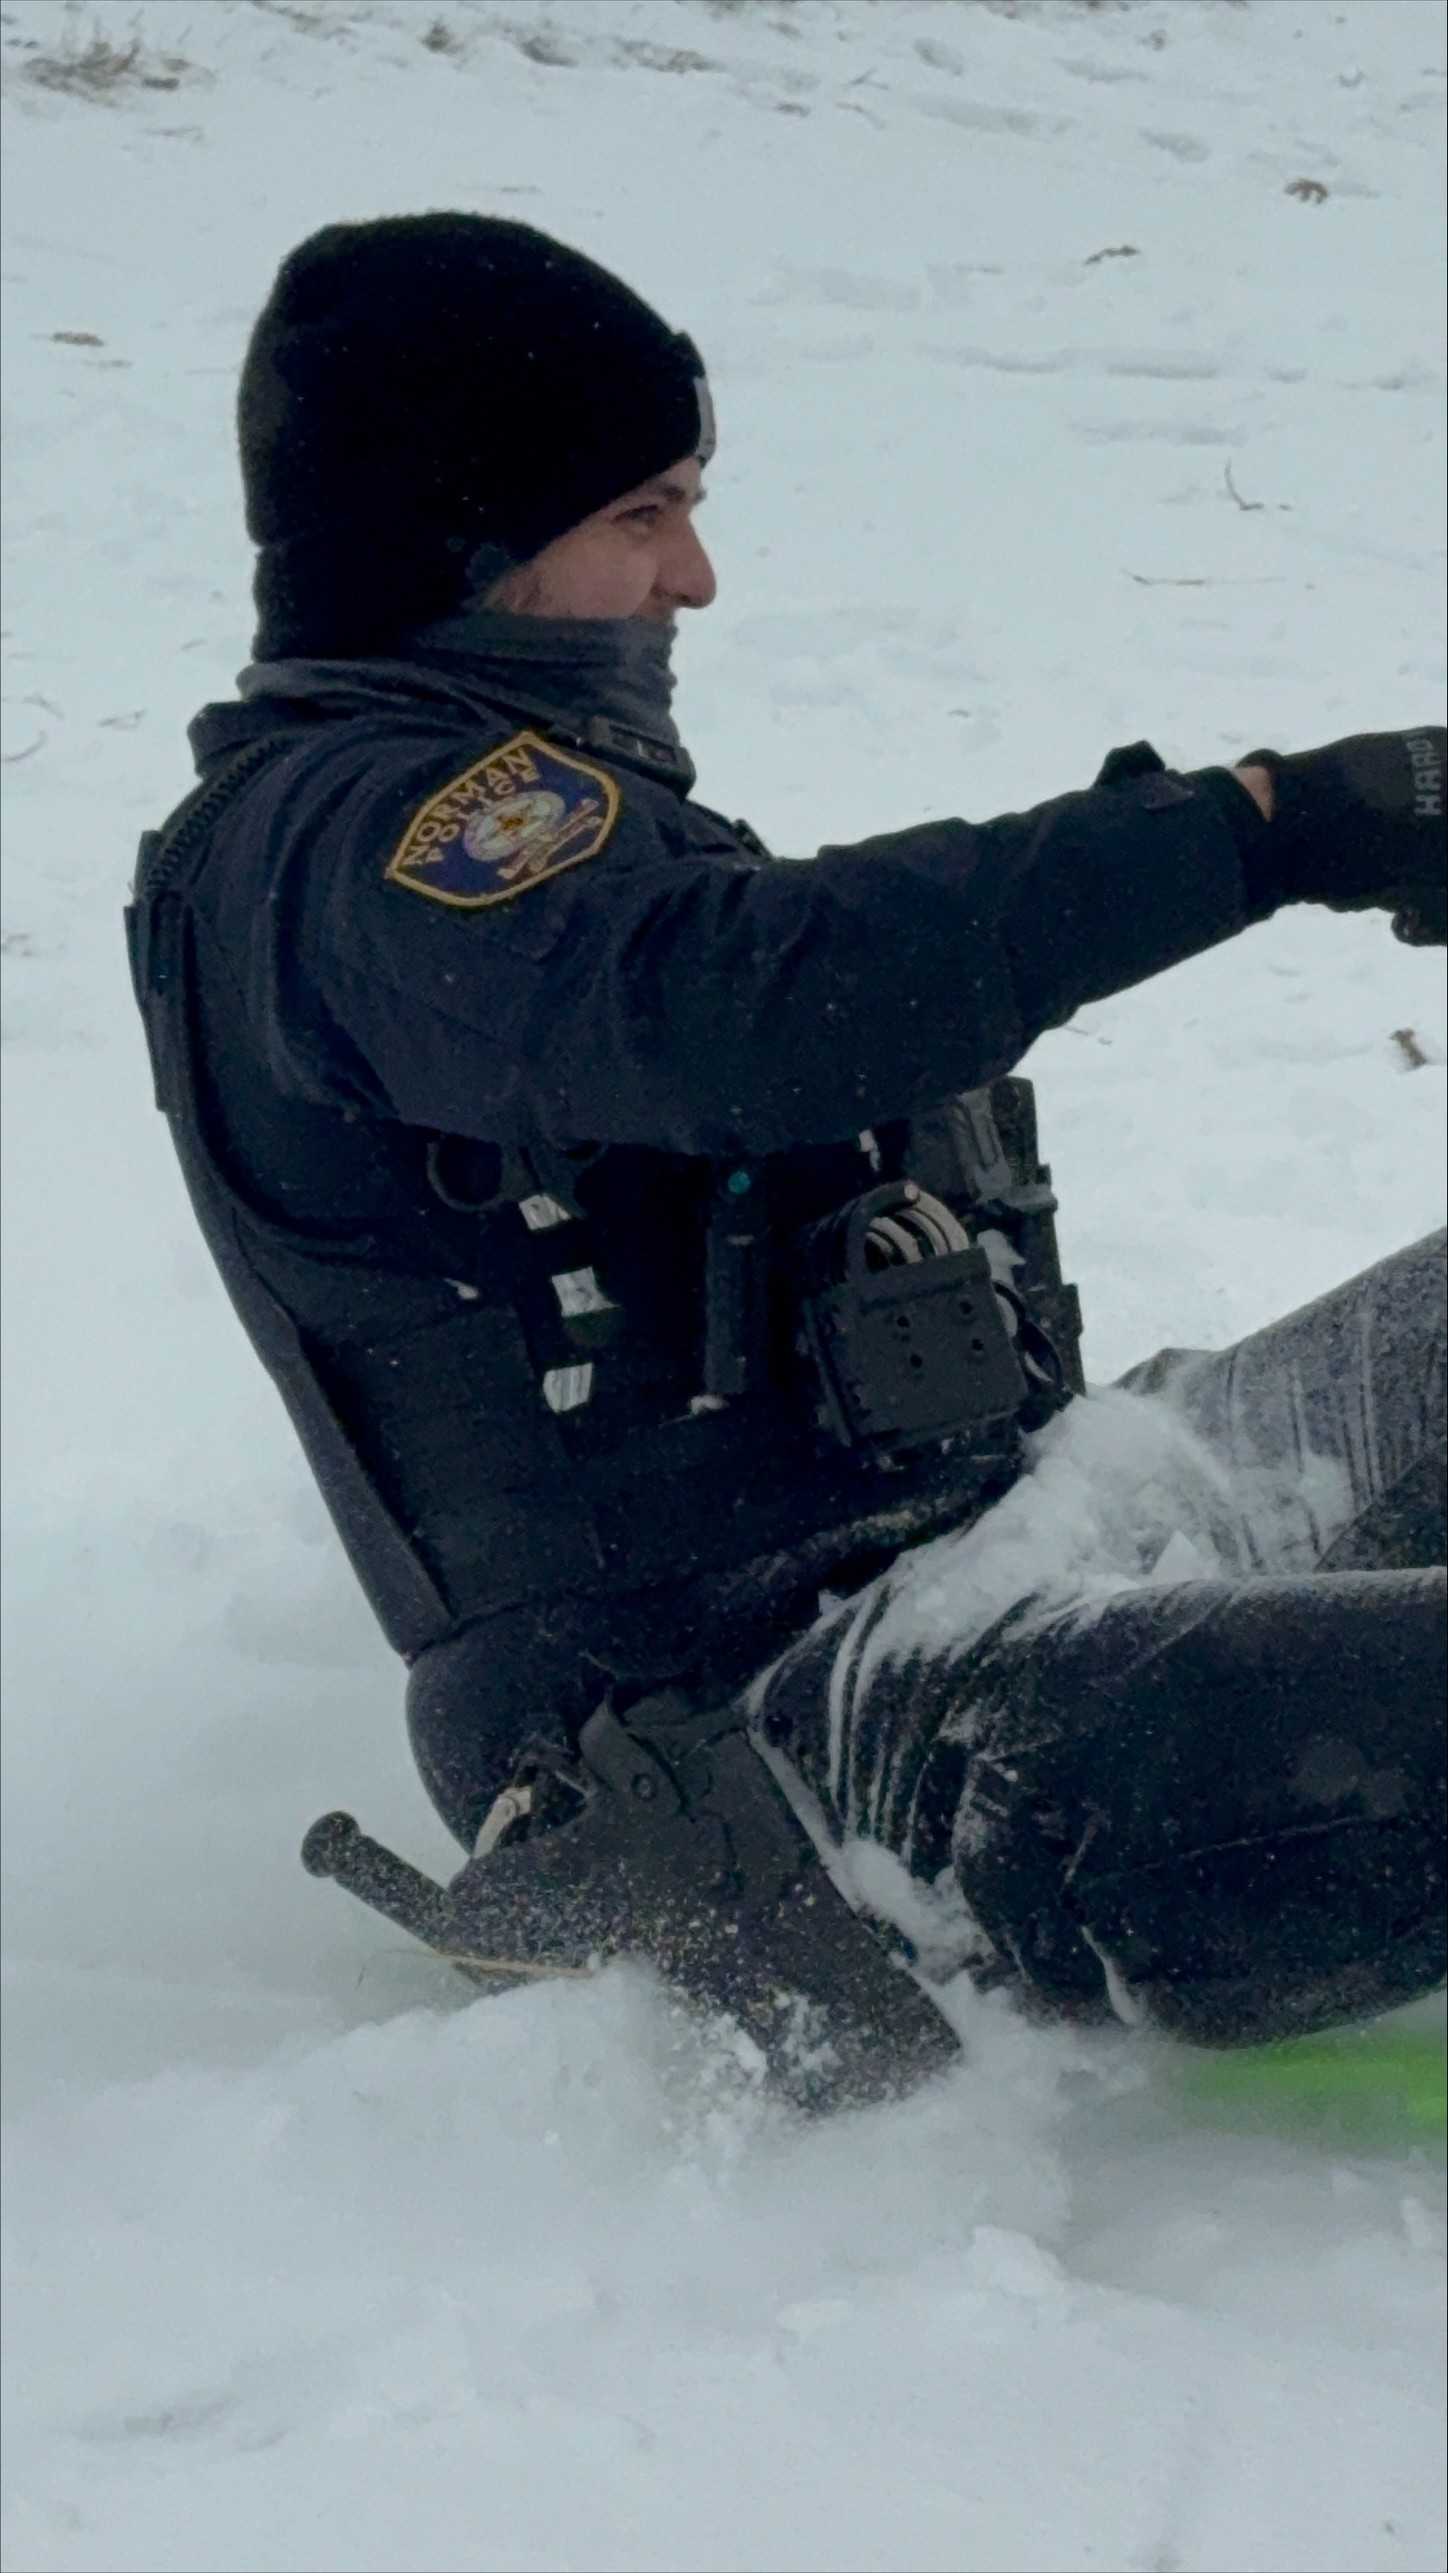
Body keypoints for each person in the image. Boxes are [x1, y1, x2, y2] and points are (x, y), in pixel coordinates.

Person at [127, 215, 1446, 2105]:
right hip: (819, 1771)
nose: (700, 573)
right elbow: (746, 1005)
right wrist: (1260, 829)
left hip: (1024, 1549)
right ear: (461, 538)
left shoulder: (512, 839)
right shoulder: (341, 855)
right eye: (643, 512)